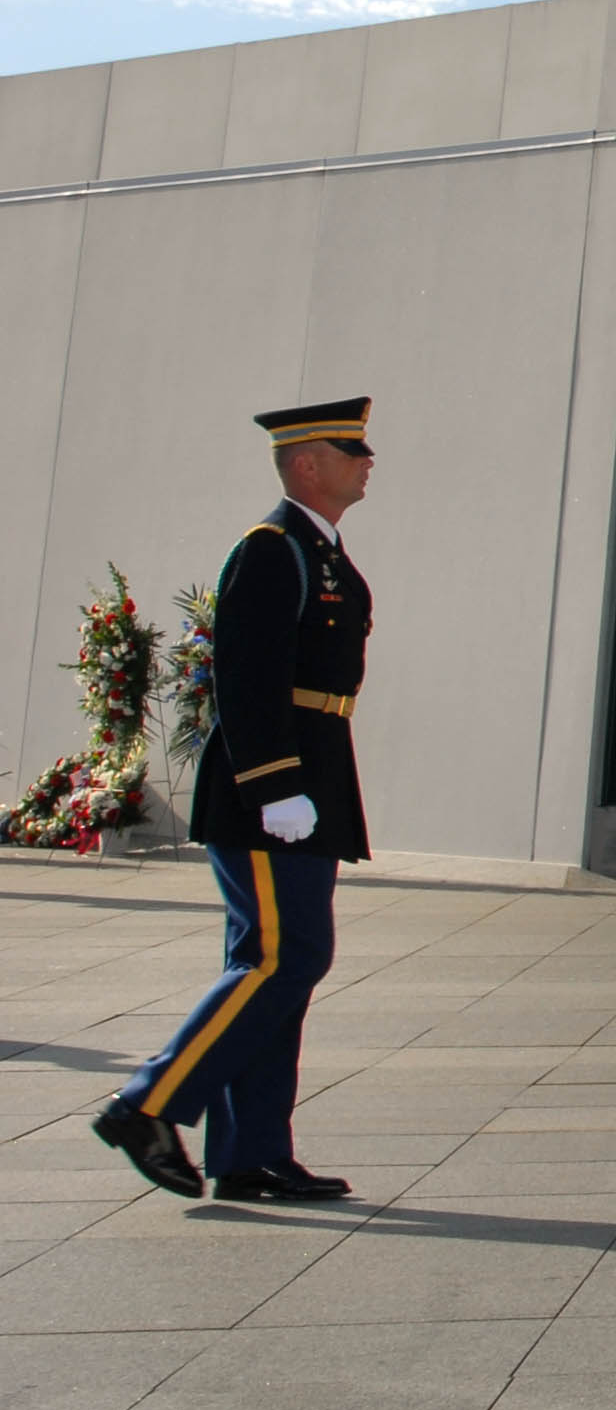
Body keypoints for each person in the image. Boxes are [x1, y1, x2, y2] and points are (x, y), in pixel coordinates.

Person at [95, 399, 382, 1205]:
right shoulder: (270, 551)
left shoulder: (320, 553)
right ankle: (145, 1102)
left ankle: (251, 1152)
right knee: (282, 958)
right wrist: (275, 786)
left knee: (276, 967)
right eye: (349, 449)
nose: (368, 460)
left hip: (312, 776)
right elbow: (246, 676)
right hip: (274, 785)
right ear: (305, 465)